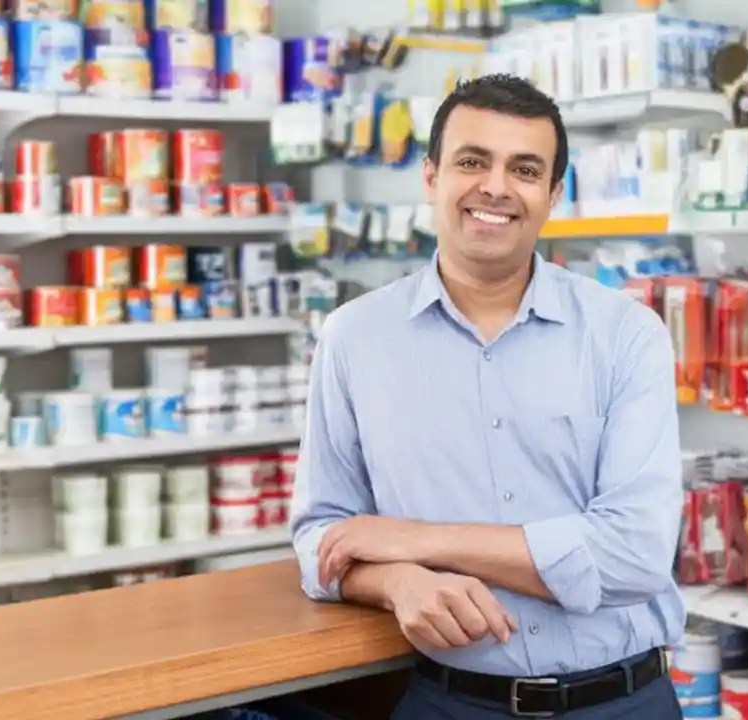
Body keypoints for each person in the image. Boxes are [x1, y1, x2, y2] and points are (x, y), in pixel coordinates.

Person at [289, 73, 685, 719]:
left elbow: (632, 559)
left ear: (553, 194)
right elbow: (323, 535)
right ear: (430, 176)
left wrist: (416, 540)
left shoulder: (625, 333)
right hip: (449, 704)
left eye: (524, 169)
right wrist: (391, 579)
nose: (495, 187)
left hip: (621, 702)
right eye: (472, 161)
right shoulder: (354, 338)